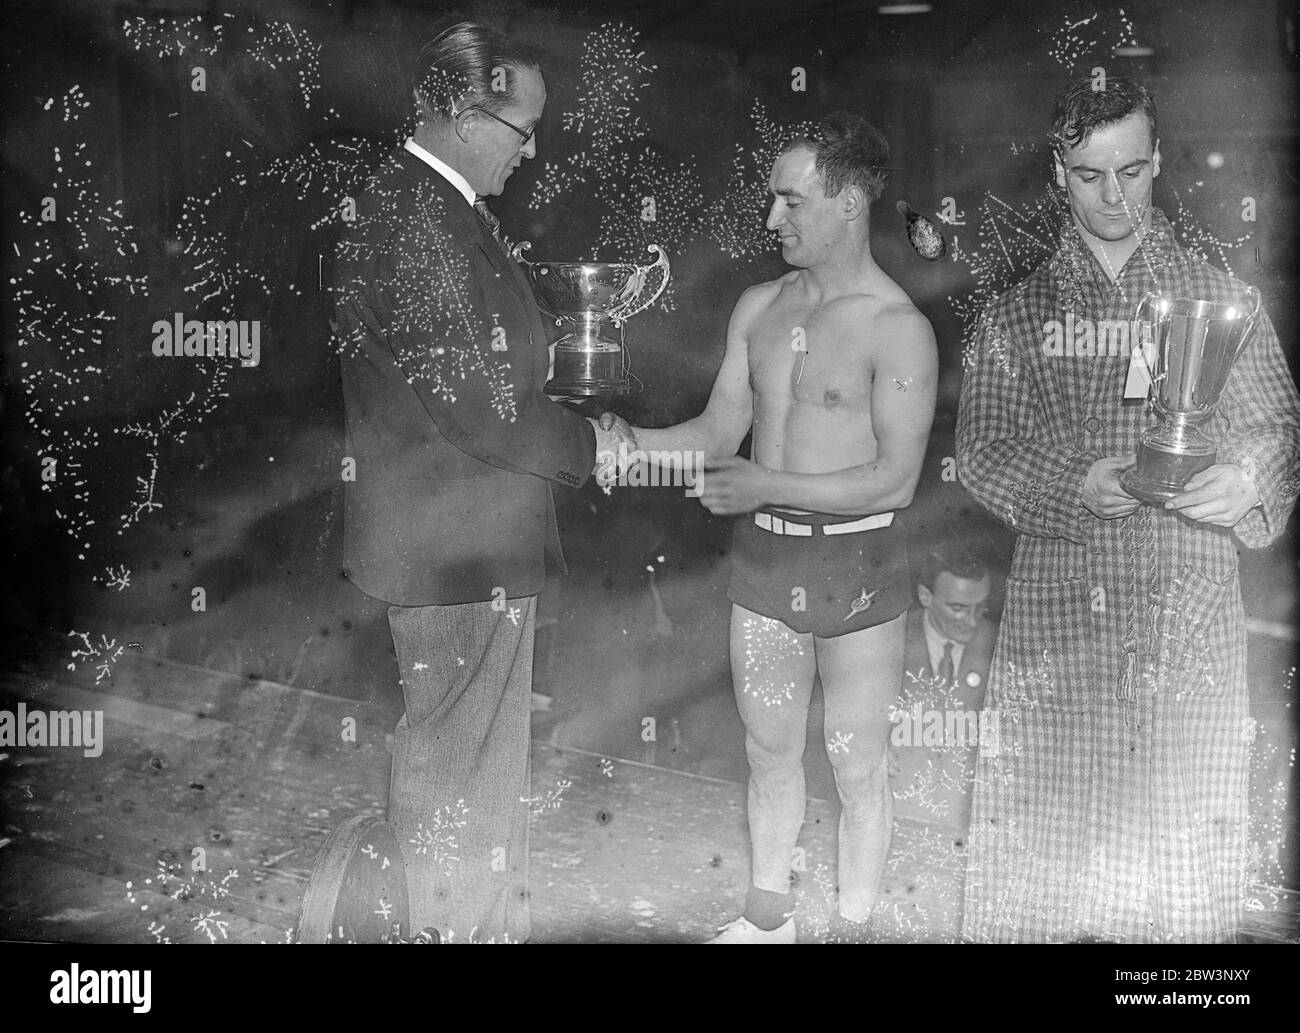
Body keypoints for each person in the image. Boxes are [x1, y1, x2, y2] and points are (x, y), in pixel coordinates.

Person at [956, 75, 1300, 942]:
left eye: (1135, 171)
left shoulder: (1222, 297)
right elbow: (983, 457)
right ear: (1056, 172)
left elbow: (1279, 423)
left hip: (1188, 613)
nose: (1116, 197)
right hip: (1059, 617)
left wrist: (1251, 476)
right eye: (1089, 175)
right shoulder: (1011, 317)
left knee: (1180, 878)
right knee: (1043, 860)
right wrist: (1076, 483)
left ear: (1157, 162)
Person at [333, 21, 631, 942]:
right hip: (454, 549)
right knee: (459, 766)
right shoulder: (423, 219)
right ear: (467, 116)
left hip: (447, 540)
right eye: (522, 128)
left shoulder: (420, 206)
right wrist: (590, 445)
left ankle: (466, 926)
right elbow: (488, 407)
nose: (532, 147)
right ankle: (458, 932)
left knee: (466, 761)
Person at [633, 112, 937, 942]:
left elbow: (897, 478)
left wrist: (765, 480)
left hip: (859, 561)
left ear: (847, 202)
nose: (772, 220)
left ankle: (853, 925)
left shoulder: (898, 327)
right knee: (769, 748)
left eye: (790, 200)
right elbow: (711, 436)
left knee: (855, 758)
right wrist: (619, 449)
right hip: (766, 559)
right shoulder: (758, 307)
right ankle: (768, 921)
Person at [890, 543, 995, 833]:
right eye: (959, 608)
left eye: (980, 607)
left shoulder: (999, 643)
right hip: (894, 810)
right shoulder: (888, 639)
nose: (973, 621)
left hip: (966, 819)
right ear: (926, 596)